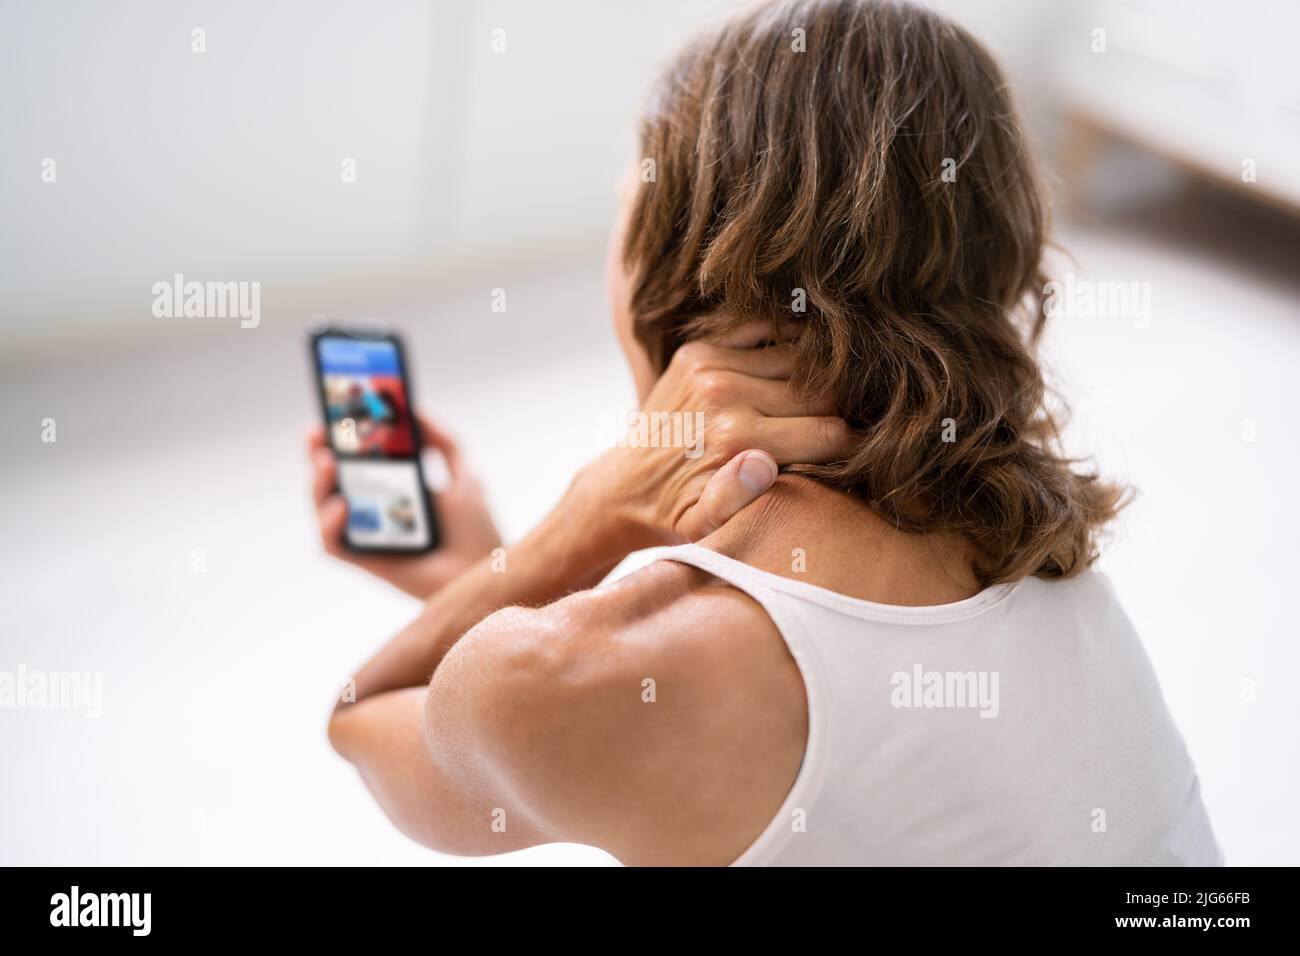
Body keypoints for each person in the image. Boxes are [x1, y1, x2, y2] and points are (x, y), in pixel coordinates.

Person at [310, 0, 1220, 866]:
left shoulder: (596, 667)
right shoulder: (1013, 511)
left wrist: (579, 525)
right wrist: (484, 567)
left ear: (674, 257)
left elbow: (363, 716)